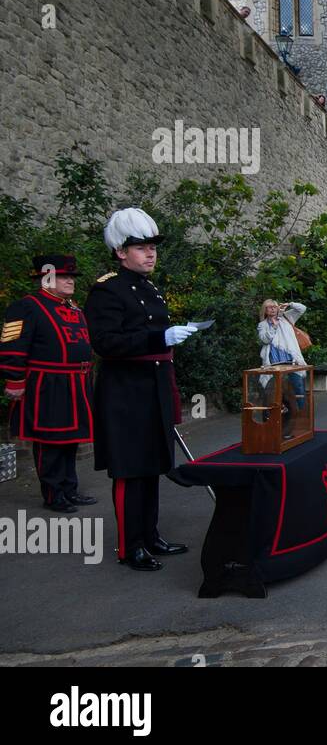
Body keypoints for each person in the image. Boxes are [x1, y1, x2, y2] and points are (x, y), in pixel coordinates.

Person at [84, 208, 197, 571]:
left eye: (152, 247)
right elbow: (106, 343)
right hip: (126, 395)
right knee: (130, 471)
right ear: (120, 252)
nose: (150, 253)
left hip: (154, 389)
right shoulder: (107, 290)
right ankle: (129, 547)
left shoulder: (150, 288)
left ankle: (150, 536)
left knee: (152, 466)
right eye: (140, 247)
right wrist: (158, 336)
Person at [1, 255, 96, 513]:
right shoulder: (26, 307)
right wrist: (14, 379)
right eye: (64, 276)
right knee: (51, 440)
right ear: (46, 279)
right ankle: (53, 494)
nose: (70, 281)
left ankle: (69, 489)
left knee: (70, 440)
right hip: (47, 384)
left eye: (71, 277)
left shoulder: (73, 307)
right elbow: (12, 346)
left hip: (76, 382)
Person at [257, 298, 307, 434]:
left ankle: (303, 421)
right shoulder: (263, 325)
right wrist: (273, 326)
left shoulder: (287, 317)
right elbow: (265, 339)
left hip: (292, 362)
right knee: (271, 393)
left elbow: (302, 308)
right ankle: (270, 423)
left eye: (274, 306)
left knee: (299, 390)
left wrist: (290, 304)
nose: (272, 309)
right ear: (265, 311)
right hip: (273, 364)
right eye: (269, 307)